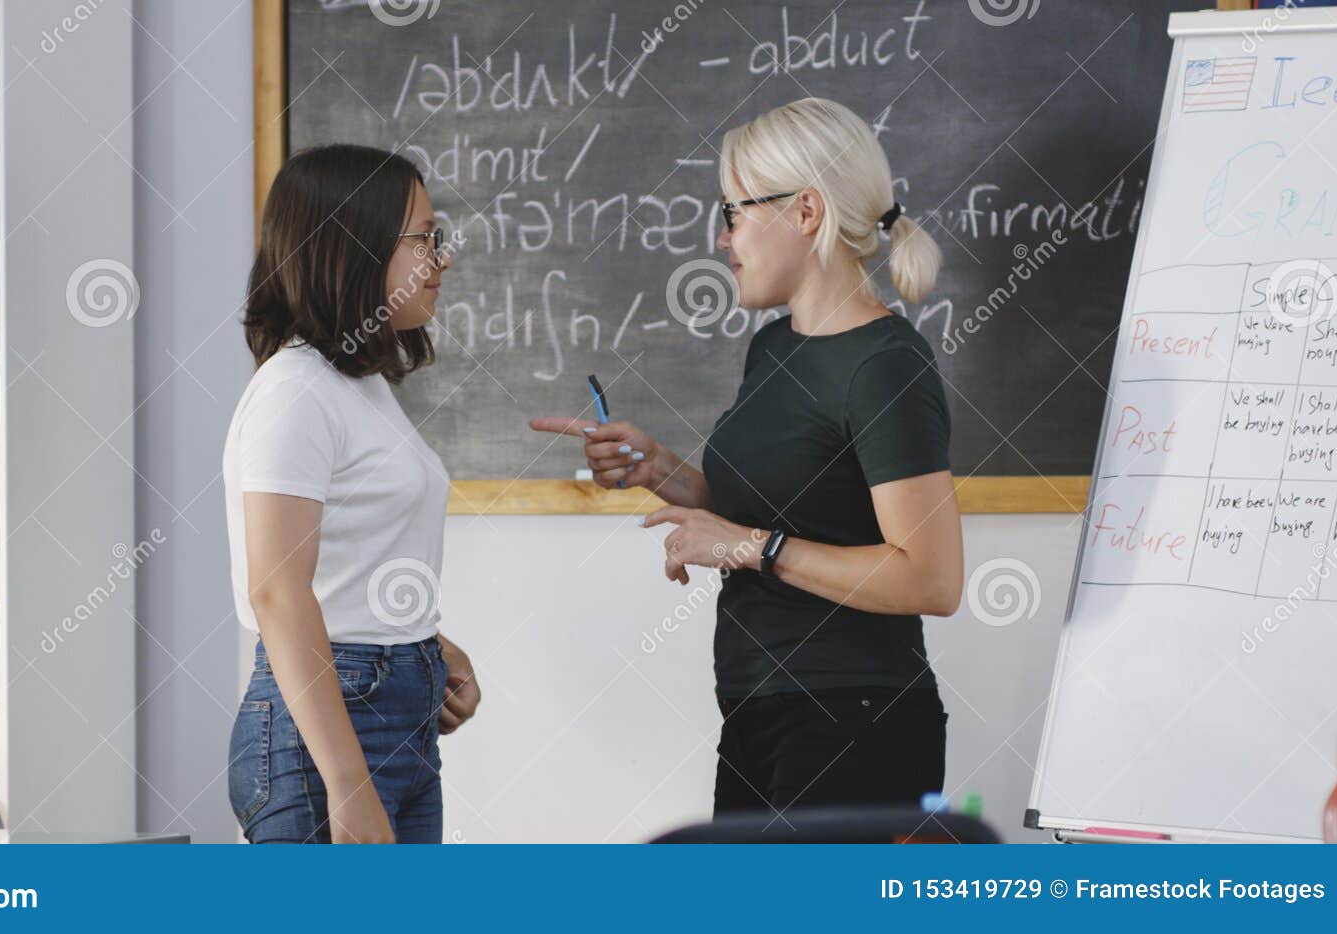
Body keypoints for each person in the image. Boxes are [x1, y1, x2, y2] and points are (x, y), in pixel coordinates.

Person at [534, 97, 962, 818]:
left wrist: (745, 546)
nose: (723, 239)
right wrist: (661, 470)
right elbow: (779, 518)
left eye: (734, 213)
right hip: (759, 707)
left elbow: (931, 578)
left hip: (855, 721)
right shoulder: (773, 349)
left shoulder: (887, 364)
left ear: (806, 214)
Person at [222, 144, 480, 843]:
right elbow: (277, 590)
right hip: (328, 738)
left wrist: (428, 649)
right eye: (425, 240)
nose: (442, 259)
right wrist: (347, 780)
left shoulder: (356, 386)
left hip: (391, 715)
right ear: (354, 246)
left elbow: (346, 569)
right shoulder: (293, 392)